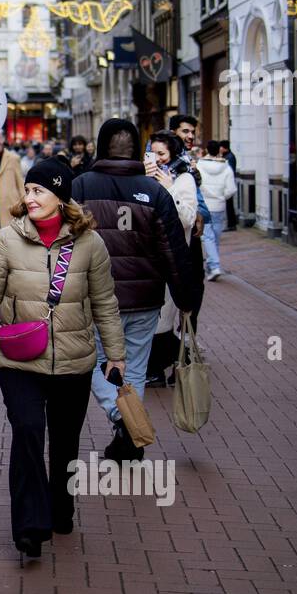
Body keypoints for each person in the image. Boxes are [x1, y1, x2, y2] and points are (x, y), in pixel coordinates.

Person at [0, 158, 125, 555]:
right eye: (27, 190)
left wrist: (115, 353)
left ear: (61, 198)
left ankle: (61, 508)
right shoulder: (8, 240)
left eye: (38, 190)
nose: (29, 197)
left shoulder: (90, 244)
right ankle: (29, 524)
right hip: (20, 360)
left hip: (74, 360)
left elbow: (105, 303)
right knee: (27, 431)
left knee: (64, 441)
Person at [71, 118, 202, 462]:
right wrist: (186, 296)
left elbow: (65, 244)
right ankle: (129, 427)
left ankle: (125, 423)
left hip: (96, 298)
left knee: (98, 363)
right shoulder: (154, 191)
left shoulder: (81, 186)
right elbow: (173, 250)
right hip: (145, 298)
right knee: (136, 368)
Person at [142, 131, 200, 387]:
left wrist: (168, 189)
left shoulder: (184, 179)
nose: (157, 160)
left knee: (163, 318)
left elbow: (188, 217)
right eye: (152, 154)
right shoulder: (145, 178)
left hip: (173, 257)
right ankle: (158, 367)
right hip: (147, 258)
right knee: (151, 316)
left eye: (162, 154)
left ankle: (174, 361)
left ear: (174, 155)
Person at [198, 140, 236, 281]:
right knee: (215, 238)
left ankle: (214, 266)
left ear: (207, 149)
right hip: (219, 206)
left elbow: (197, 184)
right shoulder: (225, 167)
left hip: (205, 205)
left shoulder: (200, 166)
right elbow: (231, 189)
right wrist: (221, 197)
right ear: (219, 150)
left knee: (208, 237)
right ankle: (211, 266)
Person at [220, 140, 239, 230]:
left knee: (229, 205)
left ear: (224, 148)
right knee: (229, 205)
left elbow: (229, 171)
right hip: (227, 183)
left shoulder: (229, 157)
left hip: (228, 184)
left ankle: (231, 224)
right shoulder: (228, 156)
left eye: (221, 147)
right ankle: (231, 223)